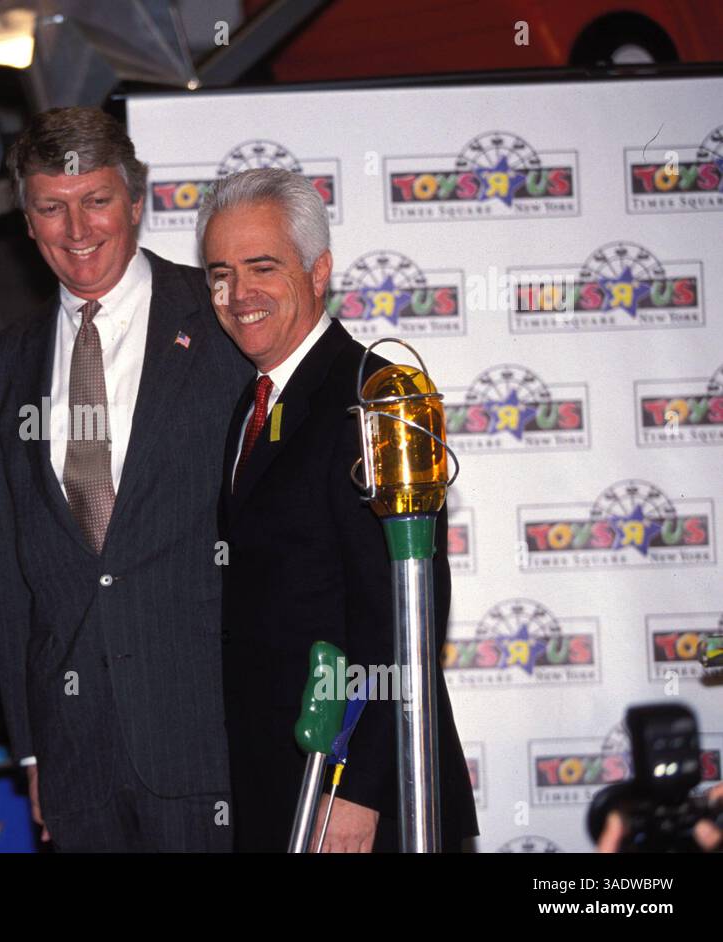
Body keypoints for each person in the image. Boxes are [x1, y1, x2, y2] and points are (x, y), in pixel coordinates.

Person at [0, 107, 250, 852]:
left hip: (211, 742)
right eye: (51, 208)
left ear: (137, 201)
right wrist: (32, 749)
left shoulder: (229, 323)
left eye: (96, 200)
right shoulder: (2, 366)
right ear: (27, 221)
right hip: (75, 758)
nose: (76, 229)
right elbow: (12, 575)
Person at [198, 167, 478, 852]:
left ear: (319, 271)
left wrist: (357, 792)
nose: (238, 294)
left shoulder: (376, 396)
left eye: (263, 267)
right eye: (220, 274)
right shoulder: (251, 403)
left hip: (359, 802)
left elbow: (403, 617)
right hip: (279, 790)